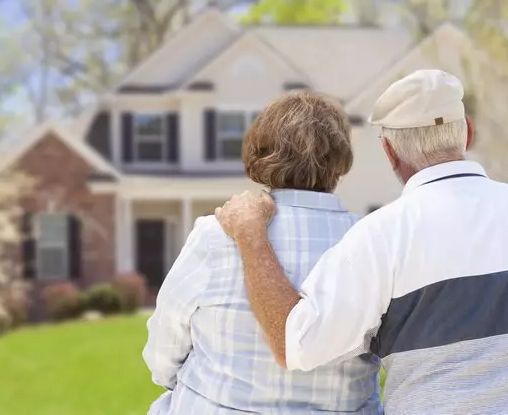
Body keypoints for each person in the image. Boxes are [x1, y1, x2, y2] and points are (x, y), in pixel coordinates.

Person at [214, 69, 508, 415]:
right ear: (467, 132)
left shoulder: (382, 235)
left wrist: (251, 234)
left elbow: (294, 343)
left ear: (389, 151)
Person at [143, 92, 383, 414]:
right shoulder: (371, 243)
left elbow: (166, 342)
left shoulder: (215, 235)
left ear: (261, 153)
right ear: (340, 160)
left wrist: (177, 382)